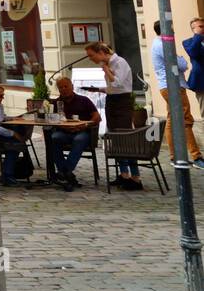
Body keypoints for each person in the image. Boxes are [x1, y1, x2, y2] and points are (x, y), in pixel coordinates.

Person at [83, 40, 144, 186]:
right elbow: (112, 87)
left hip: (122, 103)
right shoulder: (108, 64)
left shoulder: (119, 63)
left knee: (125, 138)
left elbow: (118, 84)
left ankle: (135, 177)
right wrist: (98, 89)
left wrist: (106, 71)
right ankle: (123, 174)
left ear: (101, 53)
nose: (91, 59)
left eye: (92, 56)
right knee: (116, 138)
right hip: (112, 100)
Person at [146, 24, 204, 168]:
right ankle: (196, 156)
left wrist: (181, 61)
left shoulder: (157, 44)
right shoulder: (163, 45)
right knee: (186, 119)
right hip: (174, 85)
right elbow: (181, 64)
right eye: (172, 27)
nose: (173, 29)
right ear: (165, 29)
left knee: (172, 120)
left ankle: (174, 156)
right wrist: (182, 61)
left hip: (167, 85)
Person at [50, 76, 102, 192]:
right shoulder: (57, 103)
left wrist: (85, 125)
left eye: (66, 86)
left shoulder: (84, 100)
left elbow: (97, 117)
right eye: (60, 87)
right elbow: (53, 120)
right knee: (54, 137)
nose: (63, 89)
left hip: (81, 131)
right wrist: (64, 126)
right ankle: (66, 173)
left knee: (79, 139)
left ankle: (65, 171)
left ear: (72, 86)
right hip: (64, 132)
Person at [183, 17, 204, 117]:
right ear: (193, 29)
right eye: (200, 26)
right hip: (201, 82)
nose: (202, 28)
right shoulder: (188, 42)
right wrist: (197, 35)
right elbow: (193, 53)